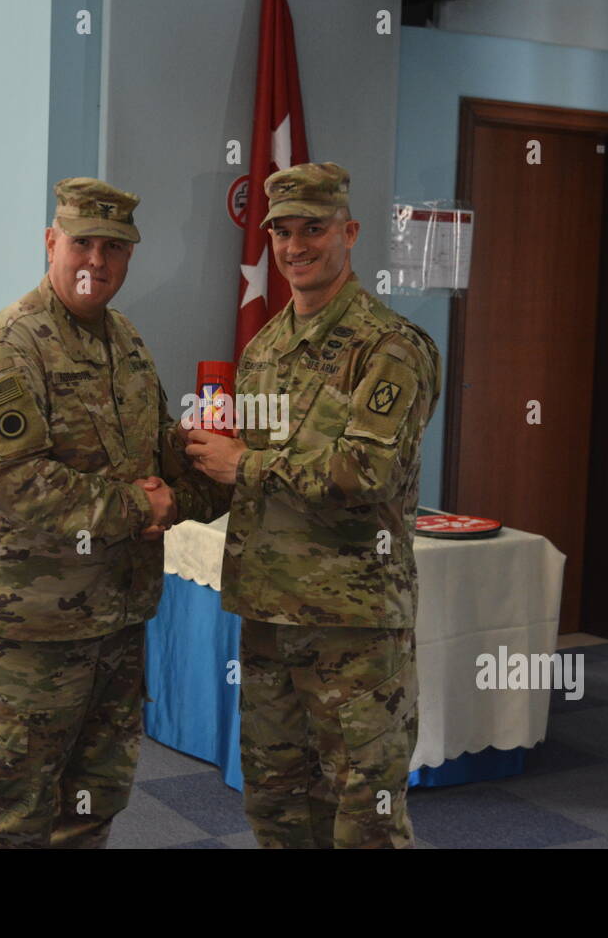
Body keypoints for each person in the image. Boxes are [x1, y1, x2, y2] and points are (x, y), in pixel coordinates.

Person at [0, 177, 225, 847]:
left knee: (88, 808)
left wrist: (220, 471)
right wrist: (138, 505)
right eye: (82, 243)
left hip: (114, 625)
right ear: (52, 242)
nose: (96, 262)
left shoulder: (124, 344)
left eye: (114, 248)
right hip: (29, 633)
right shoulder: (8, 347)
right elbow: (14, 482)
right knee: (7, 819)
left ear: (129, 258)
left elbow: (156, 466)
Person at [185, 162, 442, 848]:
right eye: (283, 233)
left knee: (365, 815)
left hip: (353, 627)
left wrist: (242, 463)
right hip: (271, 619)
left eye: (315, 230)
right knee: (277, 807)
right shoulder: (264, 349)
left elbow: (366, 474)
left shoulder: (389, 348)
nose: (296, 247)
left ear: (350, 233)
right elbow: (250, 474)